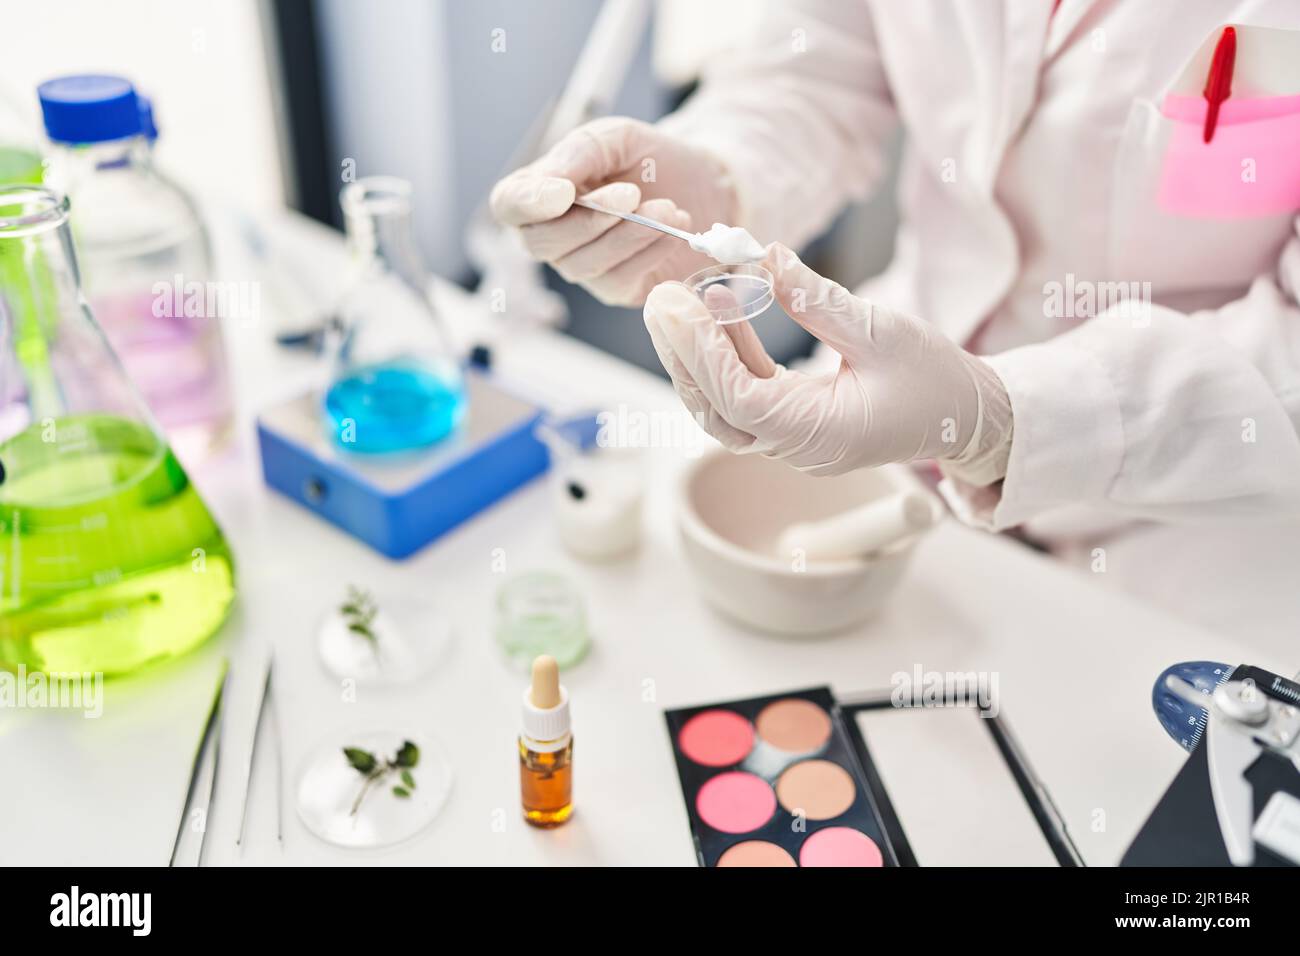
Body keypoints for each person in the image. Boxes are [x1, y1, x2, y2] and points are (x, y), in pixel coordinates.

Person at [491, 1, 1300, 632]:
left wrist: (1003, 420)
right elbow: (814, 76)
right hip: (897, 418)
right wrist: (717, 175)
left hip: (1194, 504)